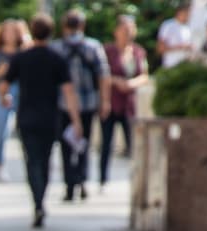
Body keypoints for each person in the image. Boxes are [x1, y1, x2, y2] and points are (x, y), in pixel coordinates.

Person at [0, 13, 83, 229]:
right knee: (44, 161)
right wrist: (76, 120)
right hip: (49, 118)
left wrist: (4, 99)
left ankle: (37, 202)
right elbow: (69, 92)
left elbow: (3, 86)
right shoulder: (56, 59)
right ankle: (40, 200)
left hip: (26, 118)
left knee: (32, 161)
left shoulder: (21, 58)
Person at [51, 9, 108, 203]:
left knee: (68, 145)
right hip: (83, 103)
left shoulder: (59, 48)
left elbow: (102, 75)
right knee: (83, 143)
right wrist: (104, 101)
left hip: (67, 103)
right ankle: (80, 180)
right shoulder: (92, 47)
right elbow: (103, 76)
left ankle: (72, 183)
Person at [100, 15, 148, 188]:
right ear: (117, 31)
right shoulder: (107, 51)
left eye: (130, 29)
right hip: (111, 101)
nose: (128, 33)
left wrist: (130, 84)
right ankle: (102, 178)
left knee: (132, 144)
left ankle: (135, 178)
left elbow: (144, 75)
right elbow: (101, 75)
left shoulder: (138, 52)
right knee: (107, 143)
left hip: (129, 103)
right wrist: (115, 83)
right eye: (124, 29)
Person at [0, 18, 28, 182]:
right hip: (0, 94)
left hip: (20, 94)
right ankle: (0, 163)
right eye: (6, 31)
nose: (9, 35)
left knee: (25, 130)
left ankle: (29, 164)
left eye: (12, 31)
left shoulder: (24, 52)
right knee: (2, 131)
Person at [157, 2, 195, 70]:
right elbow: (160, 48)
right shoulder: (168, 25)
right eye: (187, 13)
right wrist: (181, 47)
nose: (189, 15)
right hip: (170, 67)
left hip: (184, 67)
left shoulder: (187, 28)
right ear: (180, 12)